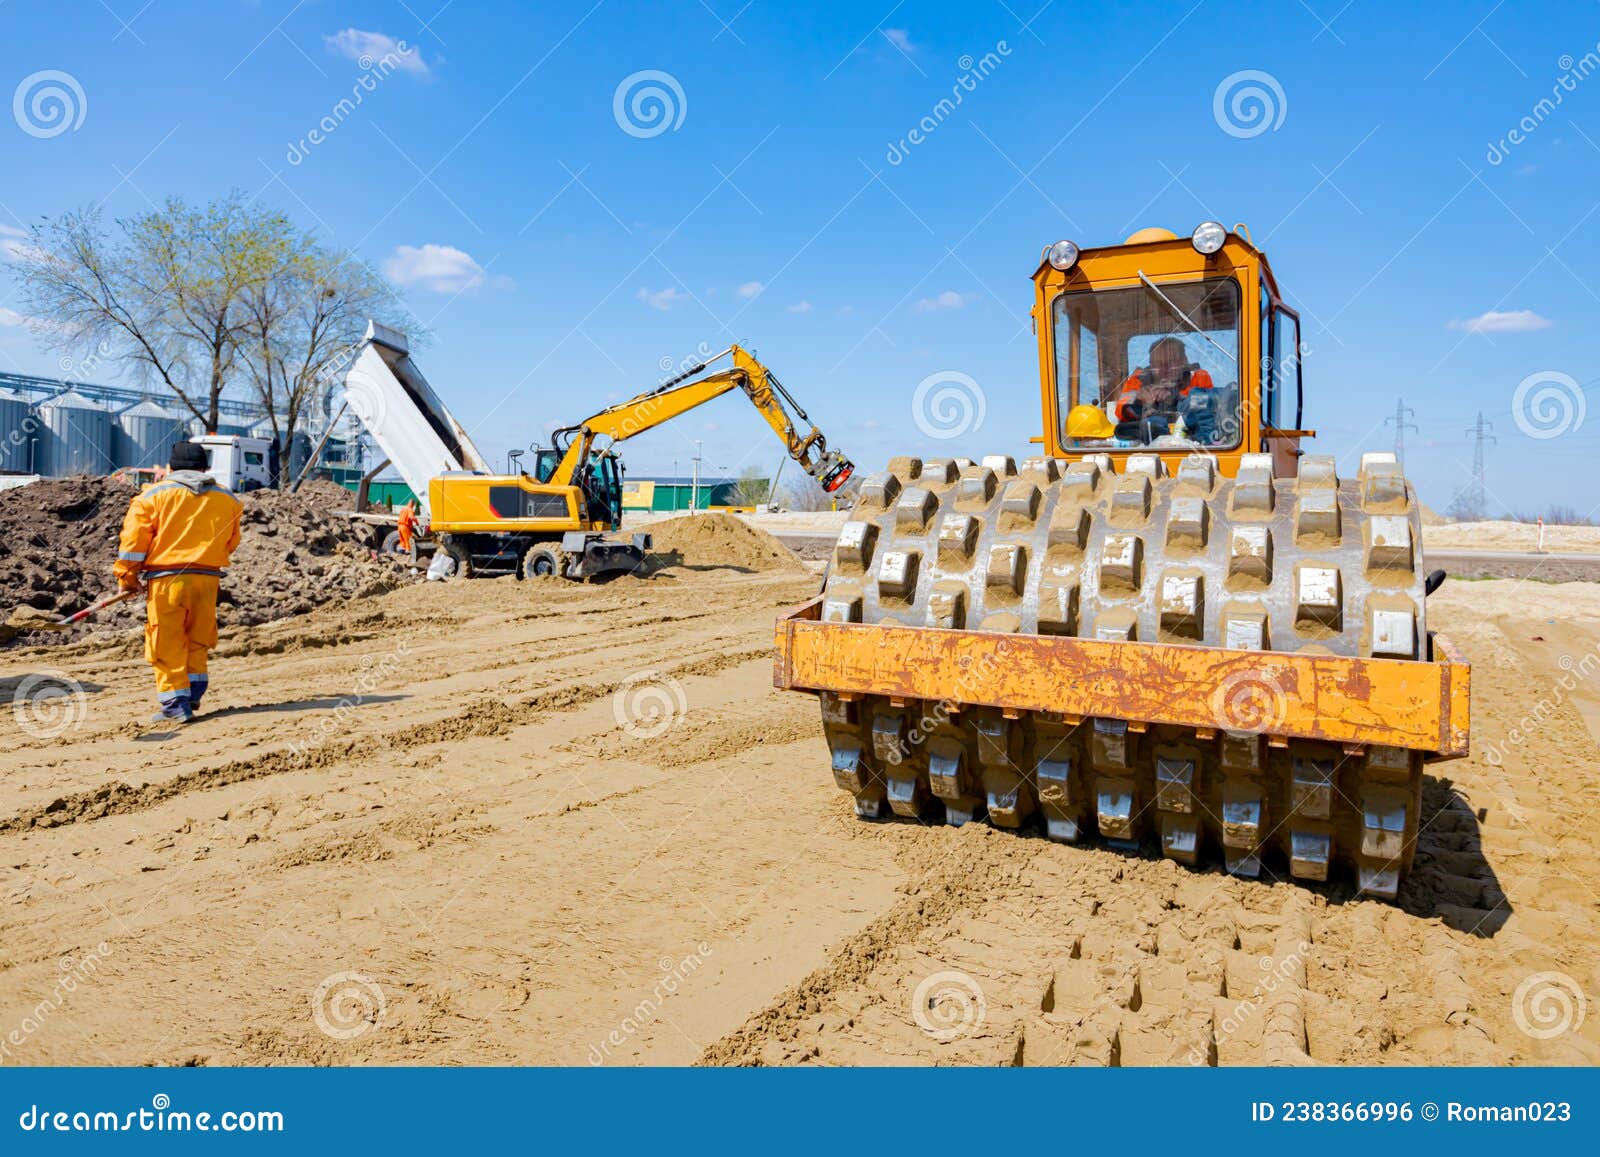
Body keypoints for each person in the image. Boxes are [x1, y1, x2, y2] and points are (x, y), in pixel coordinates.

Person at [114, 440, 242, 723]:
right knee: (198, 636)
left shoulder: (151, 497)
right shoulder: (229, 499)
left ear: (170, 468)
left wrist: (127, 577)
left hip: (168, 580)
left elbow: (134, 544)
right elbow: (231, 541)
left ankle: (174, 703)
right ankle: (194, 691)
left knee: (167, 640)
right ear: (205, 468)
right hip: (208, 580)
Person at [1111, 336, 1215, 441]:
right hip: (1147, 441)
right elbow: (1120, 410)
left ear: (1185, 362)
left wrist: (1175, 397)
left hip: (1189, 439)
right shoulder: (1137, 380)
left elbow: (1208, 407)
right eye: (1158, 363)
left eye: (1171, 362)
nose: (1164, 369)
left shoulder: (1198, 377)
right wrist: (1139, 400)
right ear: (1151, 365)